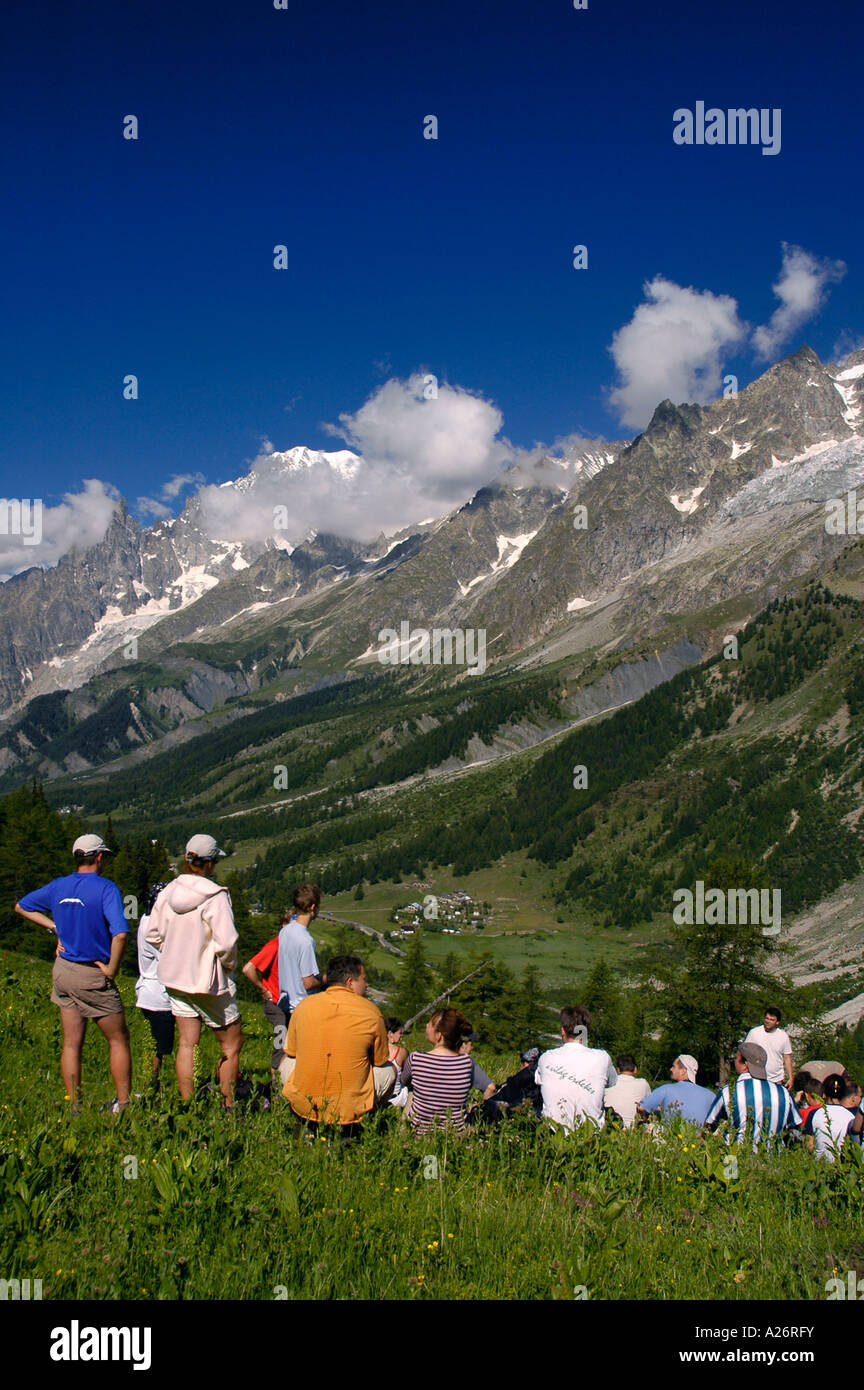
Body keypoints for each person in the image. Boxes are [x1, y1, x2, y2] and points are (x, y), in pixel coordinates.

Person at [15, 833, 131, 1114]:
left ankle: (74, 1105)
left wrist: (55, 928)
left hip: (63, 970)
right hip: (91, 972)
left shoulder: (59, 886)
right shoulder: (105, 889)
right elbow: (120, 934)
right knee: (118, 1040)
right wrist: (112, 969)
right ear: (99, 857)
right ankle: (124, 1105)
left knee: (71, 1043)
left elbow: (22, 906)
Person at [145, 833, 244, 1109]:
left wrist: (173, 951)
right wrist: (227, 966)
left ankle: (188, 1105)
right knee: (232, 1043)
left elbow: (153, 934)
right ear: (210, 863)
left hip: (175, 978)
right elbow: (227, 943)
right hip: (207, 982)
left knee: (188, 1042)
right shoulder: (215, 897)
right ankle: (227, 1104)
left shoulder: (169, 892)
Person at [282, 954, 396, 1133]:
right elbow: (379, 1061)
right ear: (350, 982)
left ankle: (301, 1112)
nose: (366, 985)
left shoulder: (304, 1006)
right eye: (363, 980)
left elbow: (292, 1052)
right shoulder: (372, 1013)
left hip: (305, 1103)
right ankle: (366, 1117)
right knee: (390, 1070)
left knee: (286, 1061)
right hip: (348, 1106)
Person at [401, 1008, 496, 1134]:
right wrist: (477, 1112)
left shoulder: (416, 1058)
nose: (426, 1026)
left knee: (412, 1092)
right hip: (452, 1134)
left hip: (418, 1132)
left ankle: (404, 1134)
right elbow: (491, 1087)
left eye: (430, 1024)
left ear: (439, 1035)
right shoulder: (467, 1062)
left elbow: (403, 1082)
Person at [703, 1042, 801, 1150]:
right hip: (773, 1162)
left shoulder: (729, 1091)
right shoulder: (784, 1093)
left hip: (735, 1160)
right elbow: (796, 1127)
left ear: (745, 1065)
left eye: (736, 1058)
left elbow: (709, 1126)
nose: (734, 1061)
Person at [535, 1006, 617, 1131]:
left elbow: (538, 1081)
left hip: (553, 1136)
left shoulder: (546, 1058)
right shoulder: (602, 1057)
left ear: (563, 1031)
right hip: (591, 1136)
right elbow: (611, 1083)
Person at [135, 881, 174, 1084]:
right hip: (160, 995)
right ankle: (150, 1084)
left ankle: (151, 1084)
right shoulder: (156, 928)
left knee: (155, 1045)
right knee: (160, 1048)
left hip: (147, 990)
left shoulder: (144, 920)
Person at [242, 928, 286, 1079]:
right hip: (275, 1001)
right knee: (281, 1040)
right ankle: (275, 1079)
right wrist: (263, 989)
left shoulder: (290, 944)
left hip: (286, 1002)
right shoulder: (275, 945)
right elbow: (248, 968)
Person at [276, 885, 322, 1023]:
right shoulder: (306, 941)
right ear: (313, 907)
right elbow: (308, 982)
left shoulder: (285, 931)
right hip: (301, 1007)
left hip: (285, 1001)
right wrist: (325, 980)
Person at [636, 1055, 716, 1127]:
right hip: (698, 1141)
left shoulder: (666, 1089)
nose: (671, 1069)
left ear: (683, 1071)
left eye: (674, 1066)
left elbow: (641, 1107)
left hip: (671, 1140)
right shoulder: (710, 1095)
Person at [803, 1074, 862, 1161]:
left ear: (824, 1093)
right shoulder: (851, 1116)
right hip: (842, 1166)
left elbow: (809, 1145)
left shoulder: (814, 1113)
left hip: (820, 1165)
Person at [482, 1046, 543, 1120]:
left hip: (520, 1112)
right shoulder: (544, 1079)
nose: (521, 1066)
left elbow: (504, 1093)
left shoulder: (524, 1076)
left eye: (523, 1063)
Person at [745, 1008, 793, 1088]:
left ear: (777, 1022)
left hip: (776, 1080)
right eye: (767, 1018)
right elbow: (745, 1053)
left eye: (772, 1020)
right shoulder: (754, 1033)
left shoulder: (783, 1036)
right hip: (756, 1078)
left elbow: (787, 1058)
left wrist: (791, 1078)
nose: (768, 1021)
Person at [604, 1054, 651, 1127]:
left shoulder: (607, 1084)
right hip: (634, 1129)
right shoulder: (643, 1083)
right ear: (635, 1069)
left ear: (618, 1070)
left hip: (611, 1127)